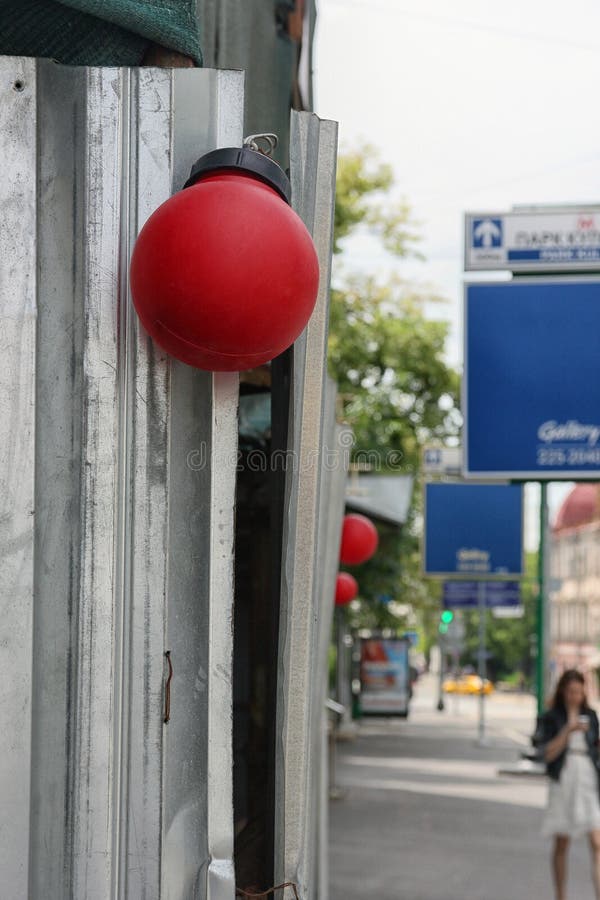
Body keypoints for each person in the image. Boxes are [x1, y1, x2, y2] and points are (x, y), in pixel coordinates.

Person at [533, 669, 600, 900]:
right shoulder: (552, 717)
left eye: (580, 692)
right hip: (563, 778)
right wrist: (568, 730)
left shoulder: (590, 716)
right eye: (572, 692)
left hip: (588, 778)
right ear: (563, 691)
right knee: (562, 840)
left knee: (597, 839)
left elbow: (596, 749)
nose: (576, 697)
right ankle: (561, 895)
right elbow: (547, 754)